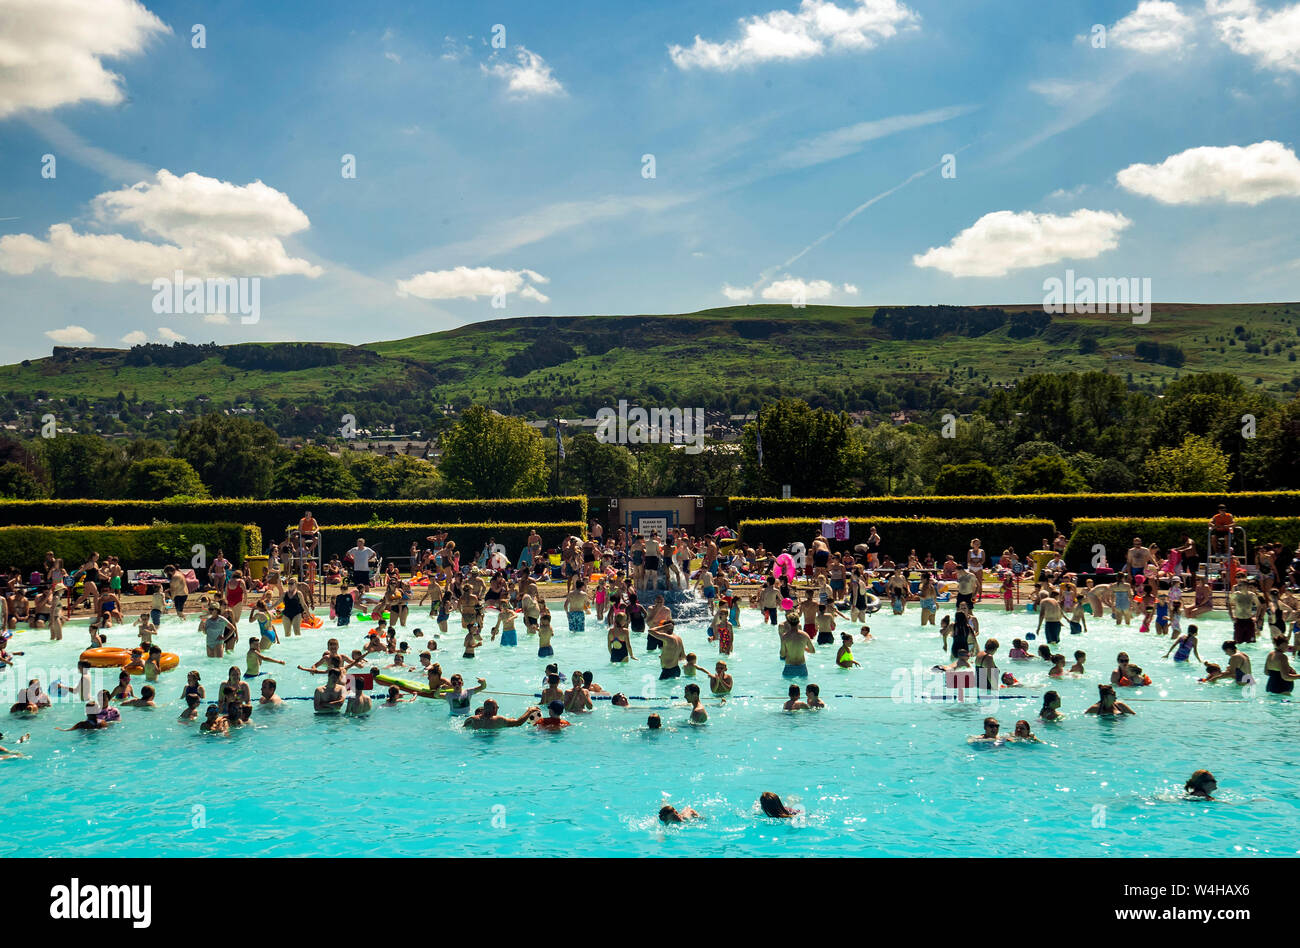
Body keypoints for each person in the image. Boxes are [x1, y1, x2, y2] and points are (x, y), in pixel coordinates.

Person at [463, 699, 540, 730]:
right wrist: (529, 711)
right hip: (492, 745)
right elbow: (518, 723)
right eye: (497, 707)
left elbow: (463, 728)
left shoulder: (472, 719)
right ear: (494, 708)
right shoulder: (498, 719)